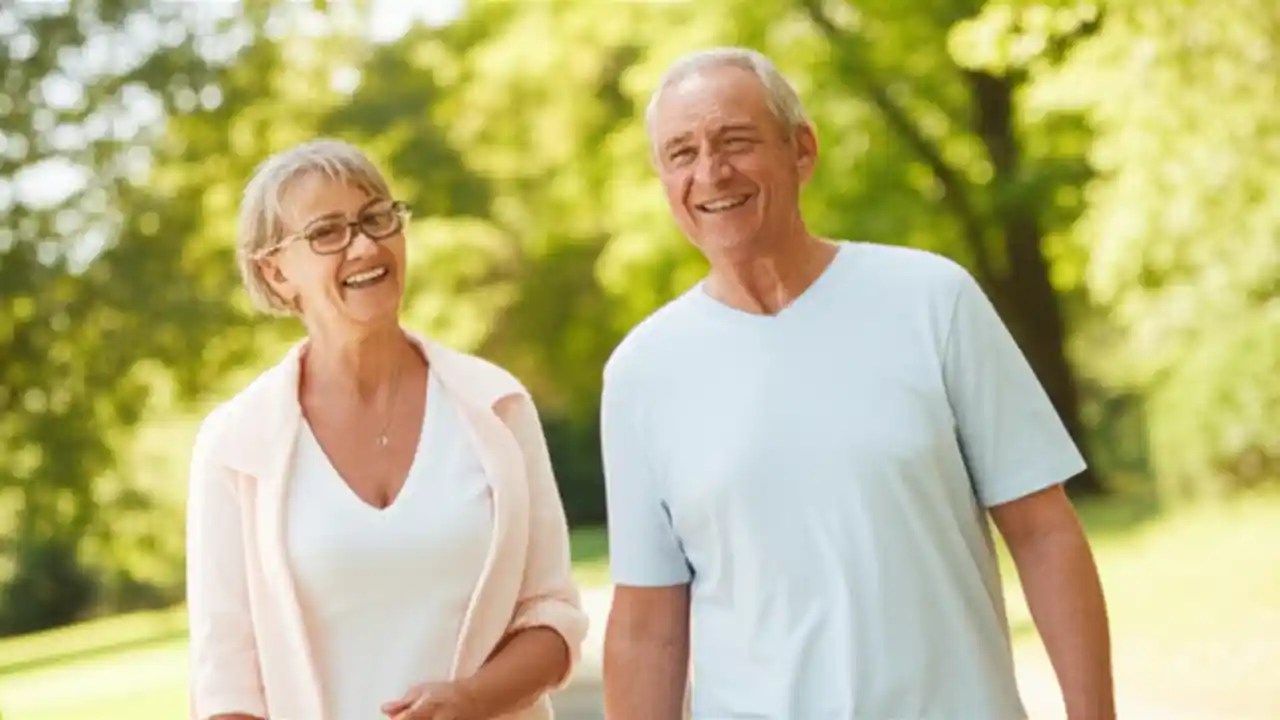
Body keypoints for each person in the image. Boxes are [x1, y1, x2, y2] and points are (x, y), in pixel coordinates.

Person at [601, 48, 1115, 720]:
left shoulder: (932, 300)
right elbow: (646, 623)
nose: (710, 172)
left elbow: (1044, 533)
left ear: (802, 149)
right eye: (681, 154)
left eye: (736, 141)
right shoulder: (643, 372)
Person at [185, 139, 586, 720]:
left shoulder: (496, 405)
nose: (366, 245)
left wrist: (474, 699)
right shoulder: (233, 447)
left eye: (377, 218)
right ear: (276, 271)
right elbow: (226, 684)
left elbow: (553, 617)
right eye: (327, 232)